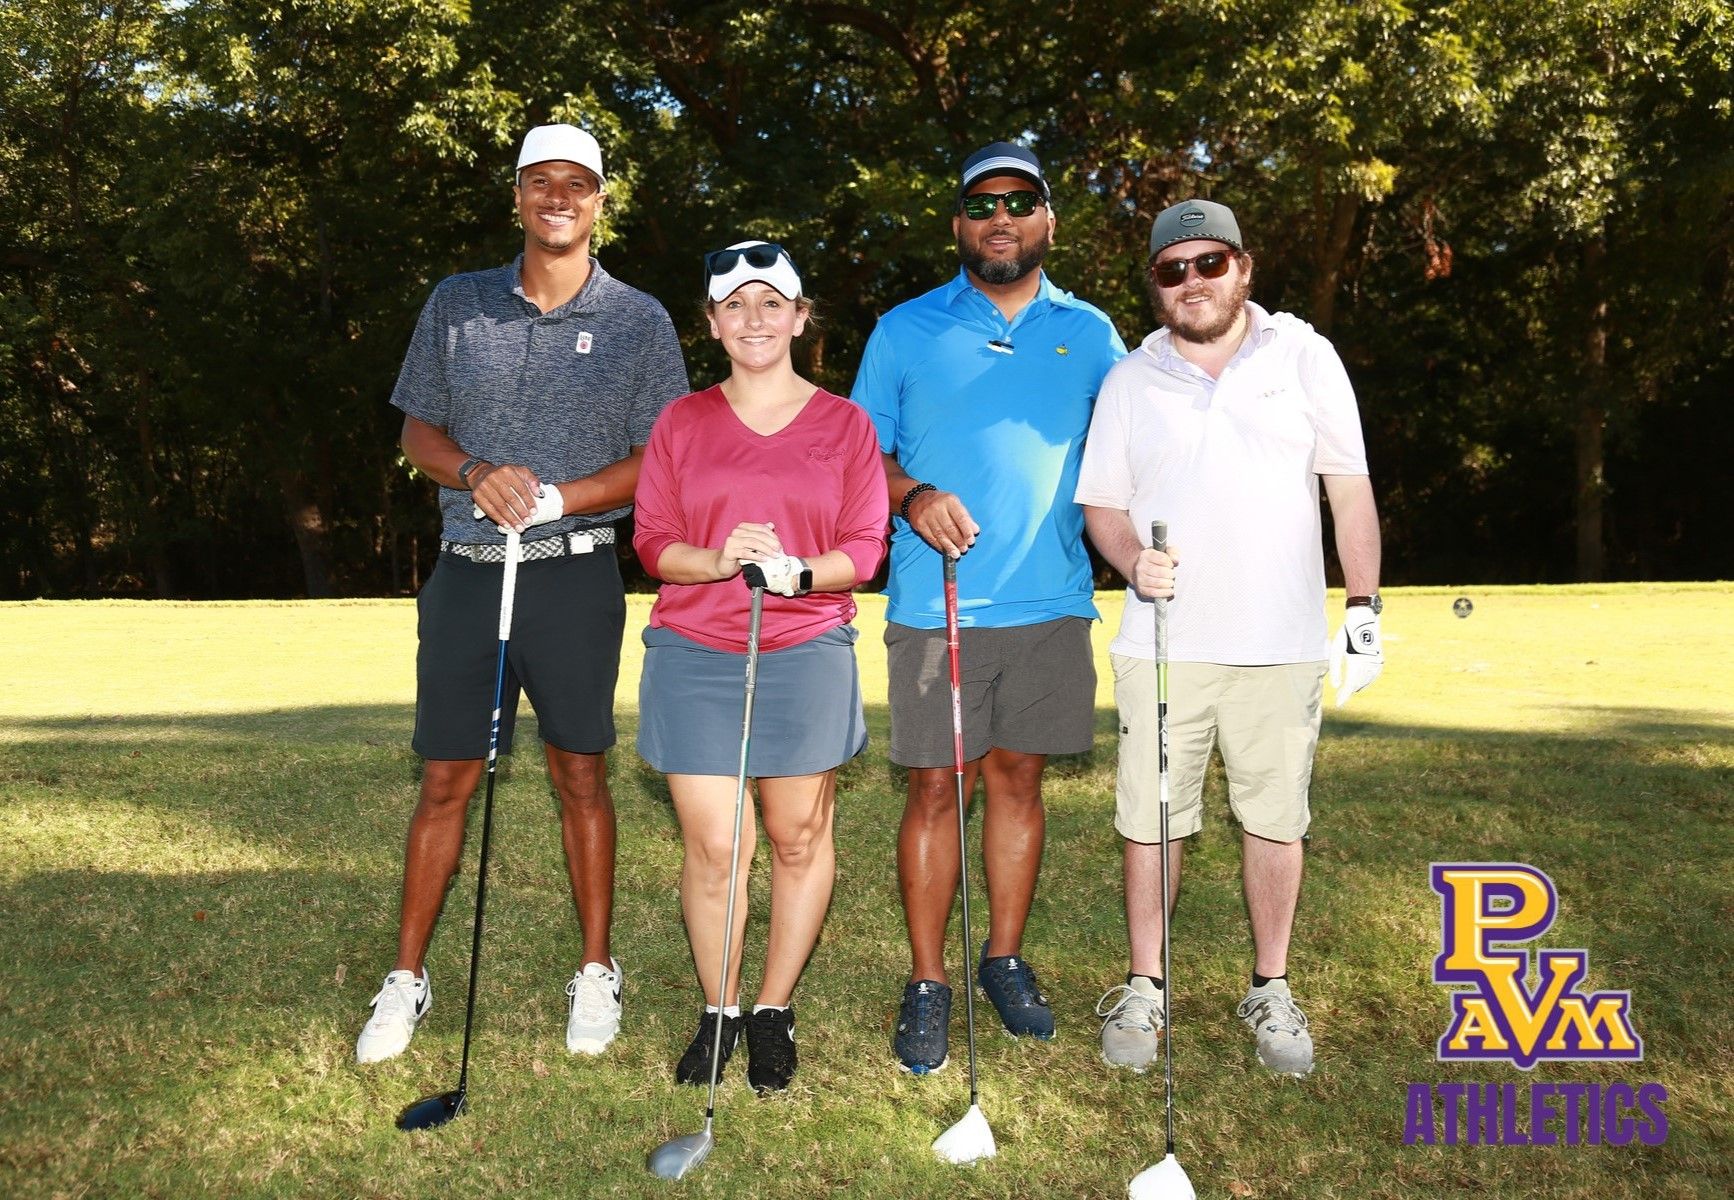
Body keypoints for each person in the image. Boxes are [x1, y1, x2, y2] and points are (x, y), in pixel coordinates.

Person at [357, 123, 689, 1065]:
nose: (558, 198)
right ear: (516, 196)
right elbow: (417, 430)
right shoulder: (457, 302)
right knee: (446, 779)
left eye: (576, 183)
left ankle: (596, 969)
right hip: (468, 572)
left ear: (599, 201)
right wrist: (475, 471)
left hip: (575, 573)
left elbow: (659, 455)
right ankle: (407, 977)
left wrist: (559, 497)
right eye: (541, 181)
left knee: (580, 772)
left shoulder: (638, 319)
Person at [1076, 198, 1383, 1078]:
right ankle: (1146, 985)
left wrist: (1364, 608)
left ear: (1243, 268)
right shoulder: (1130, 380)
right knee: (1152, 820)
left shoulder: (1305, 357)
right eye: (1173, 270)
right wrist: (1132, 559)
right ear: (1156, 285)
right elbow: (1102, 503)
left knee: (1276, 820)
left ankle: (1271, 987)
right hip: (1163, 645)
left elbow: (1349, 489)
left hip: (1281, 642)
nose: (1193, 282)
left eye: (1210, 263)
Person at [851, 142, 1126, 1073]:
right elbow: (861, 456)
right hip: (938, 603)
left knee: (1018, 781)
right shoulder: (903, 330)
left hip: (1052, 601)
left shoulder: (1092, 333)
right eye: (981, 204)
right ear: (958, 224)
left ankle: (1002, 958)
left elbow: (1136, 445)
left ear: (1048, 220)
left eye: (1019, 202)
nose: (999, 218)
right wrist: (915, 494)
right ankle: (928, 980)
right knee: (938, 787)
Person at [633, 241, 888, 1092]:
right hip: (697, 650)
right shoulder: (681, 422)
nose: (754, 319)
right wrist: (716, 559)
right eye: (735, 305)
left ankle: (773, 1009)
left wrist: (799, 574)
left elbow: (864, 548)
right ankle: (721, 1009)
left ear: (800, 318)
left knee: (798, 835)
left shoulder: (845, 424)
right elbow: (653, 542)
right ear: (712, 324)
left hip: (805, 647)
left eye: (771, 303)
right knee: (716, 845)